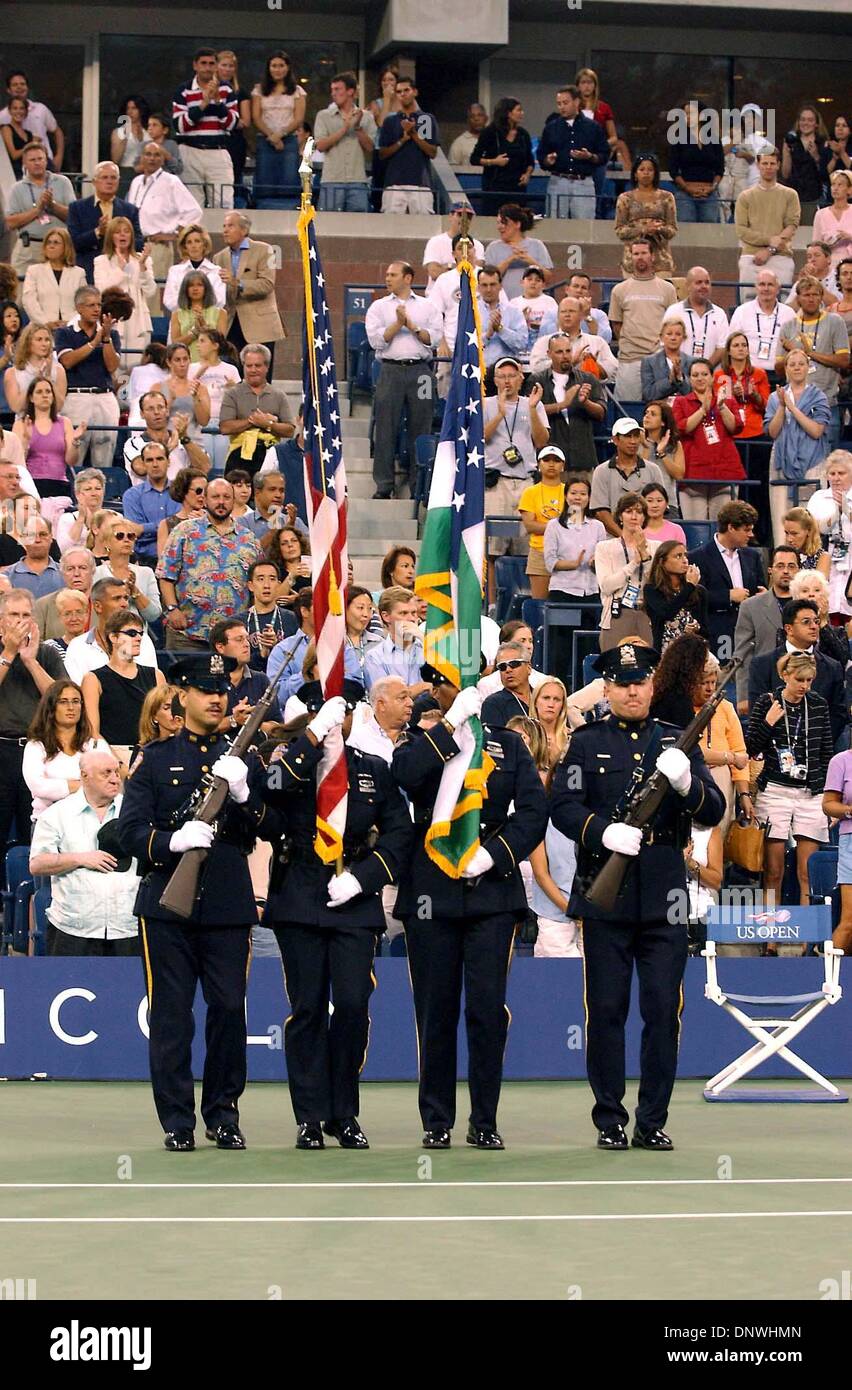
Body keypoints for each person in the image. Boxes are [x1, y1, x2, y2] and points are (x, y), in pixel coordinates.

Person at [551, 640, 724, 1149]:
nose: (633, 691)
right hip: (608, 895)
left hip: (664, 897)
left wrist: (687, 782)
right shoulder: (586, 743)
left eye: (641, 682)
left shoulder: (677, 741)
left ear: (653, 685)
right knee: (605, 1011)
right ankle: (609, 1119)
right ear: (607, 688)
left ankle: (651, 1120)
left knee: (662, 1010)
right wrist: (601, 832)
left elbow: (712, 810)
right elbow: (562, 804)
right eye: (623, 683)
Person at [117, 651, 281, 1150]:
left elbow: (273, 827)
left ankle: (224, 1113)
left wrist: (244, 792)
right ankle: (177, 1121)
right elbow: (127, 832)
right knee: (171, 1015)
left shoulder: (243, 757)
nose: (216, 697)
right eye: (206, 689)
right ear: (181, 696)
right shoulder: (156, 758)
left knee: (229, 1008)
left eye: (222, 689)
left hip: (228, 903)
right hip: (167, 903)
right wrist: (173, 842)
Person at [392, 678, 546, 1147]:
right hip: (431, 893)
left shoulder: (508, 744)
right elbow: (407, 776)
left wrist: (496, 853)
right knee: (434, 1012)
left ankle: (484, 1121)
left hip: (491, 895)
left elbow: (534, 812)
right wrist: (449, 725)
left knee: (486, 1011)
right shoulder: (421, 743)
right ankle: (436, 1121)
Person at [259, 681, 410, 1147]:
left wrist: (363, 879)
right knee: (306, 1009)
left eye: (341, 709)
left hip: (354, 899)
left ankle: (343, 1111)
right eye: (325, 710)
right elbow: (274, 788)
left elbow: (399, 836)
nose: (334, 718)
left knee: (351, 1006)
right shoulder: (292, 763)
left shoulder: (372, 769)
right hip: (301, 895)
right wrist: (309, 740)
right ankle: (309, 1115)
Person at [29, 748, 139, 955]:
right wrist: (80, 859)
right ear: (84, 776)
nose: (115, 779)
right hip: (73, 930)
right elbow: (37, 864)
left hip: (127, 928)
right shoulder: (57, 814)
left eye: (117, 772)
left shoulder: (135, 813)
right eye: (106, 773)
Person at [748, 652, 833, 916]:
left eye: (809, 680)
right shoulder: (767, 702)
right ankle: (770, 938)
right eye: (799, 679)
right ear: (785, 676)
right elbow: (750, 747)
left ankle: (807, 943)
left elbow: (826, 752)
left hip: (810, 794)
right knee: (773, 871)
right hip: (774, 790)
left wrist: (826, 797)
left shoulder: (818, 705)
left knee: (807, 872)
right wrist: (768, 722)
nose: (805, 686)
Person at [0, 586, 66, 872]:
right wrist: (9, 653)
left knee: (38, 830)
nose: (20, 621)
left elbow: (61, 699)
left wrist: (29, 659)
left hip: (40, 751)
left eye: (26, 614)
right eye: (13, 615)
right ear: (1, 620)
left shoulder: (48, 652)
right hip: (1, 749)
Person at [364, 261, 441, 500]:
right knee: (386, 427)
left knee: (423, 425)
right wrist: (398, 324)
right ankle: (384, 485)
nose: (388, 278)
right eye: (387, 274)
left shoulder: (428, 307)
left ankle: (420, 484)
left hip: (421, 372)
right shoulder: (378, 307)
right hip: (390, 371)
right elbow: (376, 342)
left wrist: (412, 325)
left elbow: (434, 340)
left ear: (408, 278)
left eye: (393, 274)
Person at [158, 477, 262, 651]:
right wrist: (172, 609)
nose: (221, 502)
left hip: (233, 639)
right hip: (187, 634)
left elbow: (257, 585)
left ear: (233, 500)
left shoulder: (249, 539)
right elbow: (165, 575)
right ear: (205, 500)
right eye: (215, 497)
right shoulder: (184, 531)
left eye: (226, 497)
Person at [748, 598, 847, 746]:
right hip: (775, 749)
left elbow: (838, 714)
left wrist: (815, 741)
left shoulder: (833, 667)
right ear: (788, 628)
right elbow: (757, 713)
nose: (814, 627)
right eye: (806, 622)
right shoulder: (762, 665)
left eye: (816, 621)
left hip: (818, 751)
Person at [765, 347, 831, 544]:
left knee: (807, 518)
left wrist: (792, 408)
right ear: (785, 369)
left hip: (812, 461)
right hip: (780, 462)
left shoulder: (818, 396)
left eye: (801, 364)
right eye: (792, 364)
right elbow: (773, 432)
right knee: (781, 519)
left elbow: (816, 430)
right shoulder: (775, 397)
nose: (797, 368)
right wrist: (782, 407)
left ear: (808, 367)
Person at [777, 276, 849, 454]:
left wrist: (807, 353)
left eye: (816, 294)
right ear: (798, 298)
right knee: (795, 457)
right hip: (795, 405)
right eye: (806, 294)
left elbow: (844, 361)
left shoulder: (835, 322)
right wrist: (791, 357)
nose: (811, 299)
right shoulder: (788, 326)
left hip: (826, 403)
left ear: (822, 297)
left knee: (828, 460)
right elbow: (779, 369)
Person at [81, 609, 162, 763]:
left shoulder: (156, 676)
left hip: (152, 753)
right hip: (112, 755)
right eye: (131, 633)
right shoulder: (93, 679)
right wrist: (117, 763)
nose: (138, 638)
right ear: (113, 637)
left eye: (140, 633)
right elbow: (93, 732)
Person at [54, 286, 121, 471]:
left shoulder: (111, 334)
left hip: (105, 397)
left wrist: (105, 339)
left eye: (99, 304)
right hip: (77, 397)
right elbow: (67, 361)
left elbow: (112, 366)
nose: (97, 309)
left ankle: (104, 494)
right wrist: (94, 342)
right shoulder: (65, 333)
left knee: (105, 448)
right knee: (77, 449)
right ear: (79, 308)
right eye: (91, 305)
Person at [688, 500, 764, 663]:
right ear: (730, 527)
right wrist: (727, 596)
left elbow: (759, 588)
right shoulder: (698, 557)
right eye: (747, 530)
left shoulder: (753, 557)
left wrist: (763, 596)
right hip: (715, 634)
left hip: (749, 634)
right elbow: (694, 598)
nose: (751, 535)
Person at [23, 676, 107, 819]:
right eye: (63, 702)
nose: (71, 707)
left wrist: (62, 787)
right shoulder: (36, 746)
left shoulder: (96, 745)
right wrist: (83, 785)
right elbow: (39, 787)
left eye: (76, 701)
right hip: (47, 822)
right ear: (51, 707)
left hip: (90, 821)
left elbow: (109, 784)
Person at [673, 359, 746, 522]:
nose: (700, 378)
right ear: (689, 379)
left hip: (725, 473)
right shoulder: (681, 402)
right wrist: (702, 410)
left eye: (705, 374)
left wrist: (721, 407)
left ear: (713, 377)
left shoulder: (728, 401)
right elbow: (681, 428)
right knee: (696, 528)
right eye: (695, 375)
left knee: (724, 526)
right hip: (693, 474)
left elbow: (735, 427)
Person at [127, 142, 204, 294]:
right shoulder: (136, 182)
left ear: (163, 159)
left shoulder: (171, 181)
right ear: (141, 158)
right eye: (148, 154)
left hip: (156, 246)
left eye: (157, 155)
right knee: (133, 293)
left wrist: (175, 235)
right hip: (133, 246)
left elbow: (194, 212)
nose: (152, 158)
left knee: (152, 295)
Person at [732, 544, 801, 711]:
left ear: (799, 570)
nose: (786, 571)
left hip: (803, 688)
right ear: (770, 570)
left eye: (791, 566)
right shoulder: (750, 607)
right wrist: (743, 696)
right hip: (766, 690)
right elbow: (743, 654)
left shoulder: (808, 606)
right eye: (780, 566)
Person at [609, 238, 678, 401]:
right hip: (629, 360)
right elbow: (617, 325)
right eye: (636, 254)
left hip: (659, 359)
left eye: (644, 253)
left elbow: (673, 324)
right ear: (631, 257)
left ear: (652, 256)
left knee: (661, 411)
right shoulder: (619, 290)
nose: (640, 257)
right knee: (627, 411)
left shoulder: (668, 289)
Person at [693, 652, 752, 836]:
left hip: (723, 779)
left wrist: (744, 795)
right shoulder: (679, 709)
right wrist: (729, 757)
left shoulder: (725, 707)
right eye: (704, 683)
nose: (710, 688)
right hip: (693, 778)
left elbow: (740, 751)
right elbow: (692, 751)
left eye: (713, 682)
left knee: (720, 836)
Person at [528, 335, 605, 476]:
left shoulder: (587, 379)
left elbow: (601, 414)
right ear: (549, 354)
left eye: (568, 351)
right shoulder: (537, 380)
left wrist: (586, 402)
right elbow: (530, 412)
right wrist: (562, 405)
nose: (565, 356)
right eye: (559, 352)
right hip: (550, 463)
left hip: (583, 462)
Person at [172, 47, 237, 209]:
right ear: (195, 65)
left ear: (216, 66)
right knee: (191, 205)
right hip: (190, 151)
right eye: (203, 63)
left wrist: (217, 101)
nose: (207, 67)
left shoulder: (226, 89)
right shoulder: (184, 90)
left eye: (211, 64)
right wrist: (203, 104)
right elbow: (180, 126)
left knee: (224, 203)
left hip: (218, 152)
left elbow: (231, 124)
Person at [217, 343, 295, 478]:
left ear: (266, 367)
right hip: (239, 455)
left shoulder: (278, 395)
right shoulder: (232, 394)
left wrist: (269, 425)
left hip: (270, 455)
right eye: (249, 366)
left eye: (257, 366)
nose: (253, 370)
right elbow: (225, 427)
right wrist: (253, 421)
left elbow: (290, 430)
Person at [594, 493, 660, 650]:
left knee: (648, 669)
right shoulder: (605, 548)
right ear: (620, 516)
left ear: (644, 517)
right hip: (618, 612)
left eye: (639, 512)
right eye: (629, 511)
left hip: (646, 613)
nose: (634, 516)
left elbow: (657, 583)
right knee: (614, 667)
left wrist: (644, 554)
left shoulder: (656, 547)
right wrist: (634, 563)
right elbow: (607, 586)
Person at [63, 575, 157, 686]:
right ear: (98, 606)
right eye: (117, 598)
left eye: (126, 598)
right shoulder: (78, 646)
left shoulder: (142, 639)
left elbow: (151, 686)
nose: (124, 604)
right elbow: (78, 691)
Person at [4, 141, 75, 278]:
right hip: (28, 249)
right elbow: (10, 222)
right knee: (22, 293)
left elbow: (73, 216)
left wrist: (52, 206)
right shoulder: (17, 188)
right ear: (25, 164)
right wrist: (38, 210)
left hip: (60, 248)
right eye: (32, 160)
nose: (37, 163)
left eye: (40, 159)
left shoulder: (63, 182)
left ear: (46, 160)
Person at [537, 84, 609, 220]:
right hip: (557, 182)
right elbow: (541, 156)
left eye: (565, 103)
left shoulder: (593, 127)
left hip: (583, 183)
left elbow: (604, 154)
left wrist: (590, 156)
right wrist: (548, 160)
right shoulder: (551, 128)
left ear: (576, 102)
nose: (561, 107)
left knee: (584, 227)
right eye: (558, 104)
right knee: (555, 225)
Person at [735, 148, 800, 297]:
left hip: (781, 257)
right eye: (765, 163)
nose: (768, 167)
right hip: (751, 258)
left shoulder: (790, 195)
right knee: (749, 303)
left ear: (778, 165)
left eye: (772, 163)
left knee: (783, 303)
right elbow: (741, 230)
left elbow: (792, 225)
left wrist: (770, 250)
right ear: (758, 165)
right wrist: (770, 240)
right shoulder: (745, 196)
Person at [67, 161, 143, 284]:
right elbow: (73, 242)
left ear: (118, 181)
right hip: (88, 272)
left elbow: (139, 242)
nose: (109, 181)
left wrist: (121, 239)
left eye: (113, 178)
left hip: (122, 273)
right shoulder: (77, 208)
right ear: (94, 181)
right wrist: (97, 232)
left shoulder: (130, 210)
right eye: (104, 177)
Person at [590, 417, 669, 536]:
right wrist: (624, 537)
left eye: (636, 436)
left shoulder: (653, 470)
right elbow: (600, 512)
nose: (633, 441)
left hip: (647, 538)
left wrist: (643, 537)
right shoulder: (601, 471)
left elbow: (658, 508)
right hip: (611, 539)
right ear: (616, 440)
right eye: (628, 436)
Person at [250, 51, 306, 211]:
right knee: (265, 182)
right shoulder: (259, 90)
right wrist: (272, 136)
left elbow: (298, 118)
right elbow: (256, 117)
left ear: (288, 68)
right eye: (274, 66)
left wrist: (280, 135)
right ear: (269, 68)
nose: (277, 69)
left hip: (288, 140)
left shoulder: (297, 90)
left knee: (289, 181)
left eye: (281, 65)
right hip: (265, 139)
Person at [314, 71, 376, 214]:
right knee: (329, 225)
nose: (333, 93)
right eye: (332, 90)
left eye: (337, 89)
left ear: (350, 91)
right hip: (331, 180)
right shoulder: (324, 116)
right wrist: (345, 128)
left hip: (357, 180)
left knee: (359, 225)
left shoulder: (366, 117)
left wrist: (357, 127)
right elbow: (321, 146)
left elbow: (370, 147)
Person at [12, 378, 83, 502]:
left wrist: (75, 442)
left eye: (48, 391)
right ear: (31, 398)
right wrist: (25, 441)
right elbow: (18, 462)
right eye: (39, 392)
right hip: (31, 484)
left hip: (59, 484)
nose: (45, 395)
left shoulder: (64, 423)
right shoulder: (20, 424)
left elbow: (71, 461)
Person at [543, 473, 605, 613]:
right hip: (562, 592)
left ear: (589, 498)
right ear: (566, 496)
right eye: (573, 493)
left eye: (583, 494)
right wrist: (574, 564)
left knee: (588, 634)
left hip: (591, 592)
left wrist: (596, 563)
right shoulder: (554, 526)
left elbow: (603, 561)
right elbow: (550, 562)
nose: (578, 497)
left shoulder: (598, 526)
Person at [377, 77, 439, 215]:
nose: (403, 94)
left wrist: (413, 134)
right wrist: (402, 141)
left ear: (415, 92)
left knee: (423, 227)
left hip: (420, 183)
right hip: (394, 183)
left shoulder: (426, 119)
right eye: (399, 92)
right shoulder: (390, 121)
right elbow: (382, 153)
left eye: (406, 90)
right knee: (391, 226)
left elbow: (432, 152)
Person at [614, 153, 677, 277]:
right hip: (632, 262)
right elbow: (619, 230)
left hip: (661, 260)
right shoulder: (625, 198)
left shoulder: (667, 197)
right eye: (642, 169)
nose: (646, 173)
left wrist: (658, 229)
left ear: (655, 174)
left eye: (650, 170)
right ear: (635, 174)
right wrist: (642, 230)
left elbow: (672, 229)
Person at [93, 516, 162, 624]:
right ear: (106, 542)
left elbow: (154, 615)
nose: (126, 540)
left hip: (138, 637)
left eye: (130, 536)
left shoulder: (146, 572)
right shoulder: (95, 574)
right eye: (119, 536)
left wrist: (135, 592)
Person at [643, 540, 708, 652]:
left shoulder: (698, 591)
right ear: (662, 561)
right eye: (678, 556)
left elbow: (706, 631)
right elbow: (667, 612)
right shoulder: (652, 590)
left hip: (693, 653)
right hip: (665, 653)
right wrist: (689, 586)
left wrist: (696, 628)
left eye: (685, 555)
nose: (685, 560)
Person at [364, 586, 429, 695]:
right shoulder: (374, 657)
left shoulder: (429, 648)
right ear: (386, 617)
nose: (411, 619)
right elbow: (388, 699)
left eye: (413, 613)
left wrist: (424, 640)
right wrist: (423, 687)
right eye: (403, 613)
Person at [470, 97, 534, 207]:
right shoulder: (490, 132)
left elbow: (530, 161)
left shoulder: (523, 135)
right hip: (494, 189)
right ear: (508, 113)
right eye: (518, 110)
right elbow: (474, 159)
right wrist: (494, 161)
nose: (522, 113)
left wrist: (527, 174)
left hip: (517, 190)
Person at [483, 203, 553, 302]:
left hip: (533, 305)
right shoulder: (493, 248)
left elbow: (548, 278)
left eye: (504, 222)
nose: (499, 227)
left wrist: (530, 261)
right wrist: (510, 259)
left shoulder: (537, 245)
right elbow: (487, 278)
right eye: (498, 223)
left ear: (517, 224)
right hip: (502, 305)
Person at [669, 99, 724, 224]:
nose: (687, 117)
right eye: (685, 114)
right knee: (687, 227)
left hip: (709, 193)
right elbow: (673, 170)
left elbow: (720, 169)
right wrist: (687, 188)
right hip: (685, 193)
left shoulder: (714, 139)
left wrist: (712, 188)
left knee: (709, 228)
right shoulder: (678, 139)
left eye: (691, 113)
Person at [662, 266, 730, 365]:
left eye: (707, 282)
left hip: (709, 374)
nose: (704, 286)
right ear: (688, 286)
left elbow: (722, 347)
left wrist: (704, 369)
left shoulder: (719, 314)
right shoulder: (674, 311)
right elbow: (665, 344)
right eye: (698, 282)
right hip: (680, 373)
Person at [21, 227, 86, 330]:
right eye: (49, 242)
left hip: (71, 329)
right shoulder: (34, 271)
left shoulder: (78, 273)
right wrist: (45, 323)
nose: (51, 246)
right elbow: (29, 301)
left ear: (66, 247)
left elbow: (83, 303)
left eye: (56, 243)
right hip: (40, 329)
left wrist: (69, 322)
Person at [240, 557, 297, 673]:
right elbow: (235, 665)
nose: (267, 585)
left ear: (278, 584)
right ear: (250, 586)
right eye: (260, 579)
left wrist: (277, 648)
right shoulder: (237, 623)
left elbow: (300, 661)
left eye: (272, 579)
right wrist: (262, 654)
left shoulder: (293, 619)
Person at [821, 745, 852, 953]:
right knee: (849, 922)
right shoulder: (840, 761)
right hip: (850, 840)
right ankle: (825, 979)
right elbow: (829, 805)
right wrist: (850, 810)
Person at [0, 71, 64, 170]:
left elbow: (57, 131)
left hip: (45, 163)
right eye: (15, 85)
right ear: (8, 90)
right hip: (18, 168)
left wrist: (58, 157)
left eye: (22, 84)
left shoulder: (41, 109)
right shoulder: (3, 116)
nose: (19, 87)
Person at [712, 331, 770, 440]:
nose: (741, 348)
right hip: (728, 431)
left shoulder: (760, 374)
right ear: (728, 351)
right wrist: (731, 394)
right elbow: (714, 407)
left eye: (744, 345)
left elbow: (767, 407)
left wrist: (754, 395)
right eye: (736, 345)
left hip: (755, 431)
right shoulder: (718, 375)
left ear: (748, 350)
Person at [789, 567, 849, 668]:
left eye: (817, 590)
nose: (811, 594)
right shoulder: (788, 631)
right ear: (796, 597)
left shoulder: (839, 632)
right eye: (805, 591)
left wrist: (823, 622)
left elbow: (842, 660)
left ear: (826, 596)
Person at [4, 322, 68, 417]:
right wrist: (36, 379)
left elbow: (59, 406)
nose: (44, 344)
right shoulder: (13, 372)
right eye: (39, 340)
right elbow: (16, 407)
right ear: (28, 343)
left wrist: (48, 378)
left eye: (47, 340)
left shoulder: (59, 370)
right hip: (24, 424)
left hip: (52, 424)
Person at [782, 104, 831, 226]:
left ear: (816, 124)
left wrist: (815, 156)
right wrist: (787, 154)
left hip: (814, 197)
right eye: (803, 119)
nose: (806, 123)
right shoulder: (792, 141)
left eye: (810, 120)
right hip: (793, 195)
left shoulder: (823, 143)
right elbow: (785, 174)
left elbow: (825, 174)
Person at [421, 203, 484, 297]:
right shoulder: (436, 242)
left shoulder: (477, 245)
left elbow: (476, 273)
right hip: (437, 300)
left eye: (469, 217)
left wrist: (448, 267)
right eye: (460, 215)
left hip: (469, 299)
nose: (464, 220)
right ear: (450, 216)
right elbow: (434, 272)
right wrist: (461, 267)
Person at [162, 224, 226, 315]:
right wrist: (192, 307)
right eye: (189, 242)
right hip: (181, 323)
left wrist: (199, 308)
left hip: (208, 323)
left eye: (197, 241)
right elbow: (169, 300)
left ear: (204, 244)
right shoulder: (175, 271)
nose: (193, 246)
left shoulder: (216, 271)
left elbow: (220, 300)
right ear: (185, 247)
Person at [266, 587, 314, 695]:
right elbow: (276, 695)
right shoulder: (282, 650)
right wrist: (306, 676)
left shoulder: (340, 645)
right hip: (299, 710)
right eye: (322, 606)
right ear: (305, 611)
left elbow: (355, 680)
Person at [214, 50, 251, 192]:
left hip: (234, 142)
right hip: (215, 140)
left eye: (231, 66)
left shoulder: (240, 92)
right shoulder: (208, 89)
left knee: (234, 181)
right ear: (217, 66)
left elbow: (245, 121)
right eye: (224, 65)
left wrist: (227, 119)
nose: (227, 69)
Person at [168, 272, 227, 359]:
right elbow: (175, 344)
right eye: (191, 285)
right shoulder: (177, 314)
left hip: (211, 363)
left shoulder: (220, 313)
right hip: (186, 364)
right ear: (185, 289)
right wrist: (195, 332)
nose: (195, 289)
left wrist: (204, 327)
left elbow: (220, 342)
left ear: (206, 288)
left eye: (200, 285)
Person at [2, 515, 62, 598]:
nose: (37, 540)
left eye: (43, 534)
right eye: (31, 535)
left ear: (51, 537)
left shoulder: (65, 575)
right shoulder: (7, 577)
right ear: (23, 538)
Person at [640, 318, 694, 404]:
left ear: (683, 337)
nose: (673, 338)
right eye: (669, 334)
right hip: (660, 411)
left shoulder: (692, 362)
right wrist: (670, 380)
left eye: (678, 334)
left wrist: (680, 378)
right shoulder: (649, 362)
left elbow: (693, 393)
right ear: (661, 337)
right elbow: (648, 394)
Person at [481, 641, 535, 725]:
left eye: (514, 664)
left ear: (529, 667)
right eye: (502, 666)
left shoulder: (542, 698)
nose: (508, 670)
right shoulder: (493, 704)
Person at [54, 468, 104, 556]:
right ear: (77, 494)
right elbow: (64, 550)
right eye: (88, 489)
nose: (94, 493)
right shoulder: (67, 519)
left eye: (98, 488)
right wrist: (81, 518)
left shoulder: (113, 517)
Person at [813, 171, 852, 284]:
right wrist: (827, 245)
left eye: (840, 185)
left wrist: (849, 237)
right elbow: (815, 246)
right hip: (828, 266)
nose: (835, 188)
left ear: (849, 190)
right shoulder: (821, 214)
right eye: (833, 184)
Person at [510, 267, 560, 353]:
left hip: (544, 349)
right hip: (520, 350)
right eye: (529, 279)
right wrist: (522, 319)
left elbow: (557, 326)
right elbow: (509, 328)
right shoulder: (514, 303)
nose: (533, 283)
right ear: (522, 282)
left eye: (538, 280)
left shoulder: (550, 302)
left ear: (543, 285)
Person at [531, 676, 569, 768]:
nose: (551, 704)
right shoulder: (521, 737)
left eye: (557, 699)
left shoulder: (572, 740)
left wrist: (558, 759)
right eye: (546, 698)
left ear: (562, 705)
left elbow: (576, 781)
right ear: (535, 701)